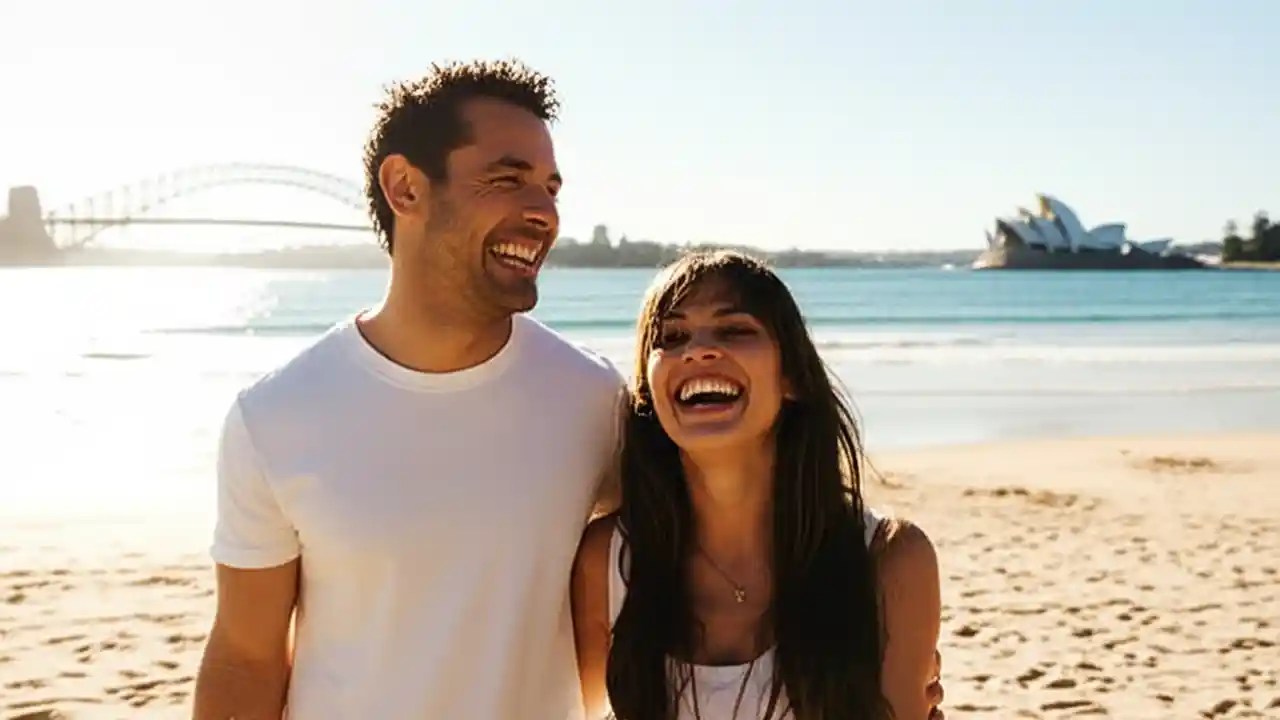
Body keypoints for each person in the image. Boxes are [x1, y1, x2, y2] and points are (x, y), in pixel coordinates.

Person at [191, 59, 626, 719]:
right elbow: (247, 657)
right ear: (405, 187)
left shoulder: (594, 400)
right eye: (507, 179)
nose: (543, 213)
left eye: (550, 189)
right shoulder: (276, 417)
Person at [571, 250, 944, 719]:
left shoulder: (889, 559)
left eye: (734, 330)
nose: (698, 350)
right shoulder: (608, 562)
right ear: (648, 393)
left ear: (793, 378)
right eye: (673, 337)